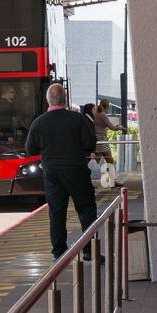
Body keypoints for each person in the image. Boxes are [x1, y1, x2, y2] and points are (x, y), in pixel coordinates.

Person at [25, 83, 98, 259]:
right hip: (76, 170)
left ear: (48, 100)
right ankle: (88, 251)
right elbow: (90, 143)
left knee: (56, 213)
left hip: (52, 174)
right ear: (65, 99)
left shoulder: (38, 123)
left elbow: (30, 150)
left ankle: (59, 252)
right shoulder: (78, 119)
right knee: (86, 209)